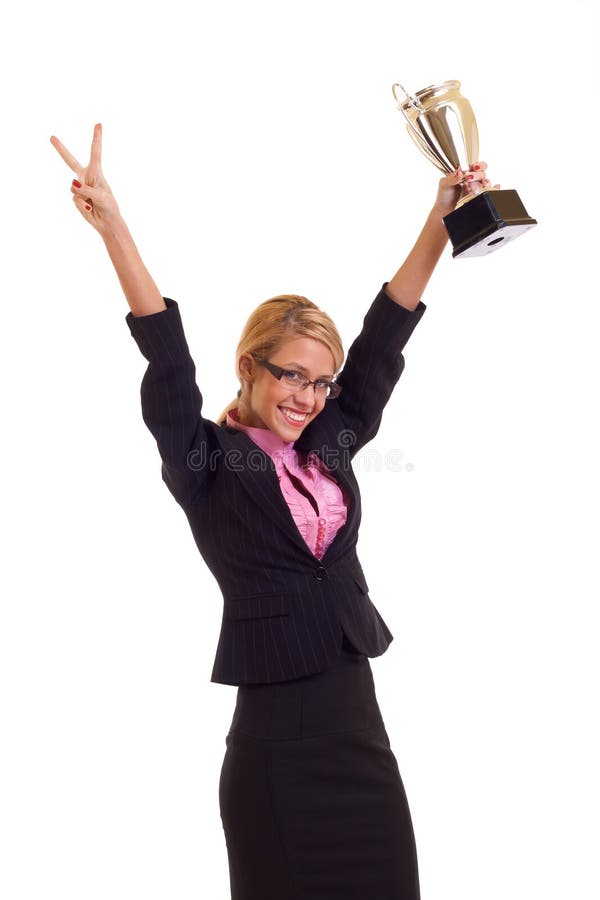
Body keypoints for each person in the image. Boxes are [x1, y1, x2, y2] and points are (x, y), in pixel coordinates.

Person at [51, 123, 492, 900]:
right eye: (292, 376)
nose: (307, 398)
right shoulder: (206, 465)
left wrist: (439, 218)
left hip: (359, 728)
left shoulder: (331, 445)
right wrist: (114, 227)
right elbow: (167, 362)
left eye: (321, 383)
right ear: (249, 368)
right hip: (275, 751)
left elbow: (383, 339)